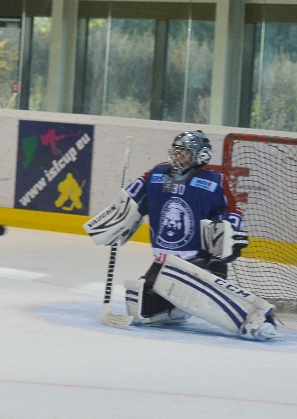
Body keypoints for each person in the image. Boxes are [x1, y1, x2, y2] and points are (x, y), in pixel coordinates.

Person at [84, 130, 277, 340]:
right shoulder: (155, 176)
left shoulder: (214, 182)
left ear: (200, 156)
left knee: (206, 300)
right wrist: (120, 217)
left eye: (184, 152)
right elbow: (131, 200)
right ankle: (175, 309)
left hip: (200, 263)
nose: (178, 157)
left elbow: (231, 212)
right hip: (162, 264)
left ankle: (260, 318)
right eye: (176, 152)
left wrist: (230, 235)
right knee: (142, 310)